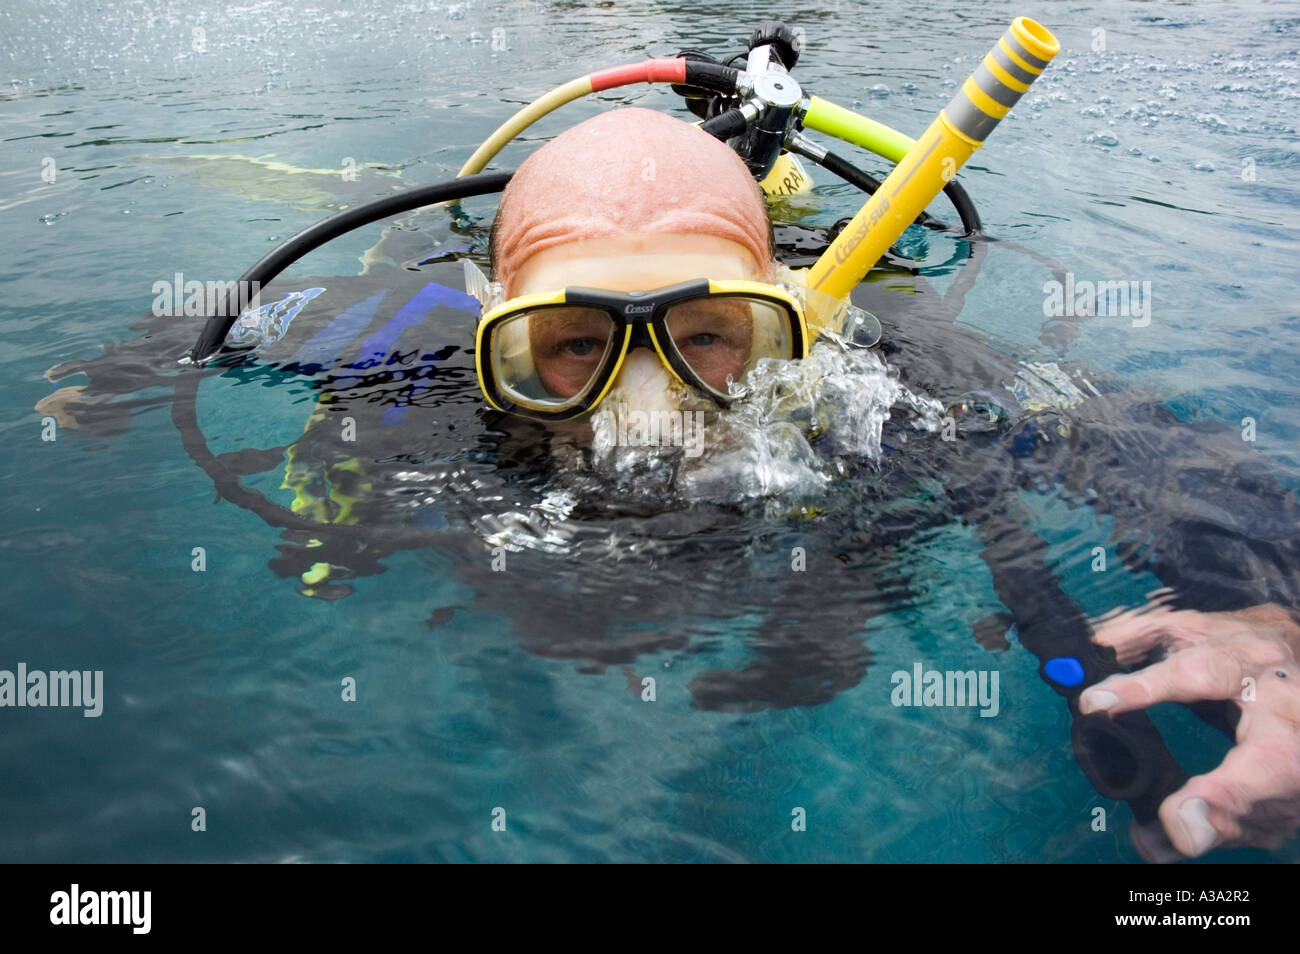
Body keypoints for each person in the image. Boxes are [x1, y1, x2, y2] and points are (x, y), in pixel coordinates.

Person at [481, 106, 1300, 861]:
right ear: (497, 346)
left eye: (705, 335)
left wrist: (1260, 608)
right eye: (577, 347)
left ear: (793, 321)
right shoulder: (402, 403)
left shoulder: (889, 375)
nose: (651, 418)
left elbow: (1148, 449)